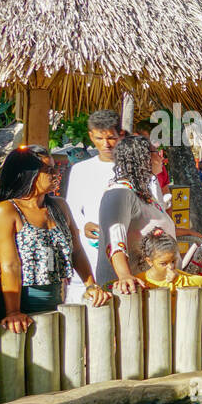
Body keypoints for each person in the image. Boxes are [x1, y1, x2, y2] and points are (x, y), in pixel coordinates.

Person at [0, 146, 110, 332]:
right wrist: (13, 312)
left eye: (55, 168)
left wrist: (91, 285)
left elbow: (77, 250)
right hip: (22, 303)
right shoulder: (7, 210)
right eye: (48, 170)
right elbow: (9, 265)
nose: (55, 174)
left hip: (58, 298)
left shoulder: (59, 206)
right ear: (28, 174)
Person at [62, 109, 158, 300]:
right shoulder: (81, 170)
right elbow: (71, 210)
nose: (105, 144)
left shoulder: (137, 169)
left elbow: (153, 208)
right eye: (99, 138)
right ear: (91, 136)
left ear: (121, 135)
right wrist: (84, 225)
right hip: (90, 251)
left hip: (134, 253)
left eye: (111, 138)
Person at [97, 135, 180, 293]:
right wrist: (125, 275)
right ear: (144, 157)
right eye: (157, 152)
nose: (162, 157)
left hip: (153, 287)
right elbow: (115, 238)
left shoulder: (143, 192)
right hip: (129, 292)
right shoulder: (119, 192)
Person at [124, 229, 202, 296]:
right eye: (164, 263)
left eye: (173, 261)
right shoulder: (142, 281)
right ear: (149, 261)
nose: (171, 267)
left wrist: (178, 280)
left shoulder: (179, 278)